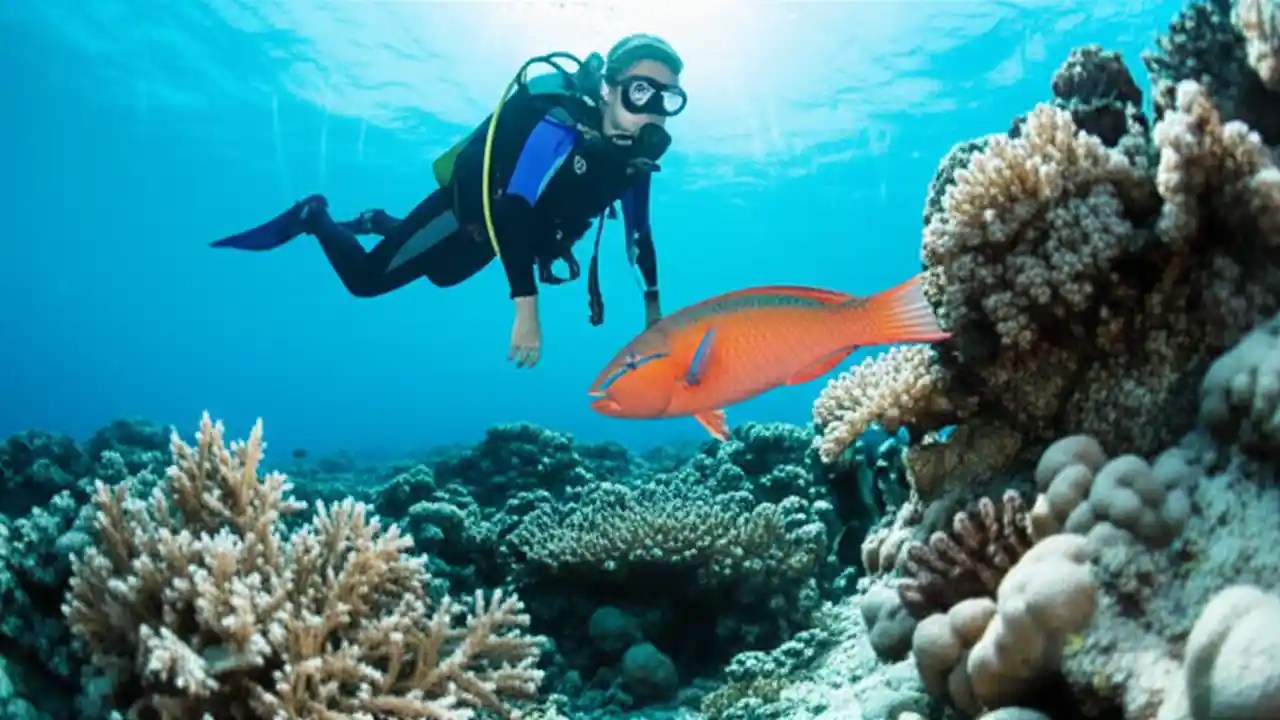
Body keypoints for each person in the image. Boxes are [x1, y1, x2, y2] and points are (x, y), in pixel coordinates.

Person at [210, 34, 688, 369]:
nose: (652, 111)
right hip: (468, 214)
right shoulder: (562, 122)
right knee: (366, 281)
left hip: (504, 241)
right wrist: (527, 311)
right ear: (608, 90)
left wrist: (653, 315)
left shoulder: (632, 163)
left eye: (666, 99)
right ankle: (314, 215)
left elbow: (638, 235)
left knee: (441, 275)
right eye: (640, 91)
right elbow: (514, 205)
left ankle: (381, 221)